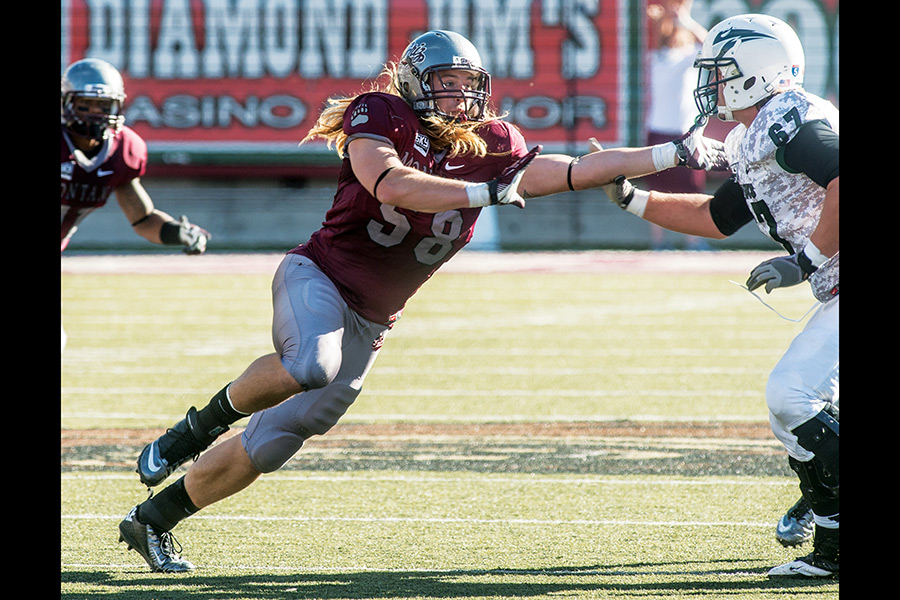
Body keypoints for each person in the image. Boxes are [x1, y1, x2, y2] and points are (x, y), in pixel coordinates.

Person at [116, 29, 726, 573]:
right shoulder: (380, 113)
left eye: (468, 85)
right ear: (412, 80)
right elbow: (393, 183)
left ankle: (152, 521)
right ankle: (190, 431)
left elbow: (569, 168)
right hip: (320, 277)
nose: (458, 97)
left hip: (375, 316)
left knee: (278, 438)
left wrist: (669, 156)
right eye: (445, 82)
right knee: (309, 366)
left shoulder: (491, 141)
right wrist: (485, 189)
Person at [602, 14, 838, 577]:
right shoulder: (755, 134)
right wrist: (633, 199)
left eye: (722, 70)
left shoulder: (791, 118)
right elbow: (716, 215)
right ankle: (829, 531)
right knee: (795, 411)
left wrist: (805, 259)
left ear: (759, 71)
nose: (710, 82)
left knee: (792, 395)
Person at [61, 58, 212, 350]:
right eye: (86, 105)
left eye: (103, 106)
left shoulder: (122, 150)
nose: (95, 113)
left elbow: (142, 218)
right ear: (67, 103)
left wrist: (176, 232)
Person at [639, 0, 710, 250]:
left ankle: (691, 241)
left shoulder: (679, 58)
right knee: (663, 190)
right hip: (665, 132)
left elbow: (708, 46)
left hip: (677, 132)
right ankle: (666, 243)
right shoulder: (662, 58)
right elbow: (708, 46)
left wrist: (682, 20)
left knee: (683, 190)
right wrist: (678, 19)